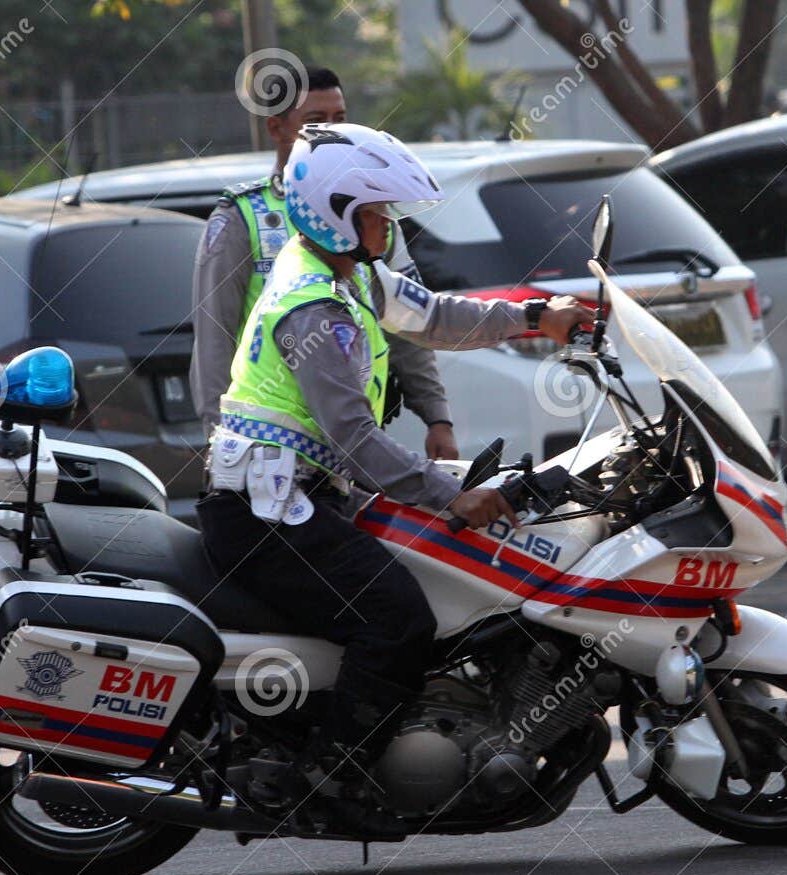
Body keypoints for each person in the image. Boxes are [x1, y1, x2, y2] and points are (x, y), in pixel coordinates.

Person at [199, 123, 592, 767]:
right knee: (399, 618)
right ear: (337, 215)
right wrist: (453, 496)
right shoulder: (313, 309)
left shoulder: (353, 277)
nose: (389, 223)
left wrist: (533, 317)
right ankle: (338, 774)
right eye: (379, 211)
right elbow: (354, 439)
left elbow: (435, 317)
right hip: (264, 511)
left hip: (296, 498)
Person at [189, 66, 459, 461]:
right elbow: (214, 344)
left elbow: (410, 318)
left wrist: (438, 419)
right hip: (272, 453)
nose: (332, 134)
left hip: (354, 442)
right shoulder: (242, 217)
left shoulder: (370, 210)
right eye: (314, 122)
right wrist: (224, 451)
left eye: (340, 119)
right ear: (276, 129)